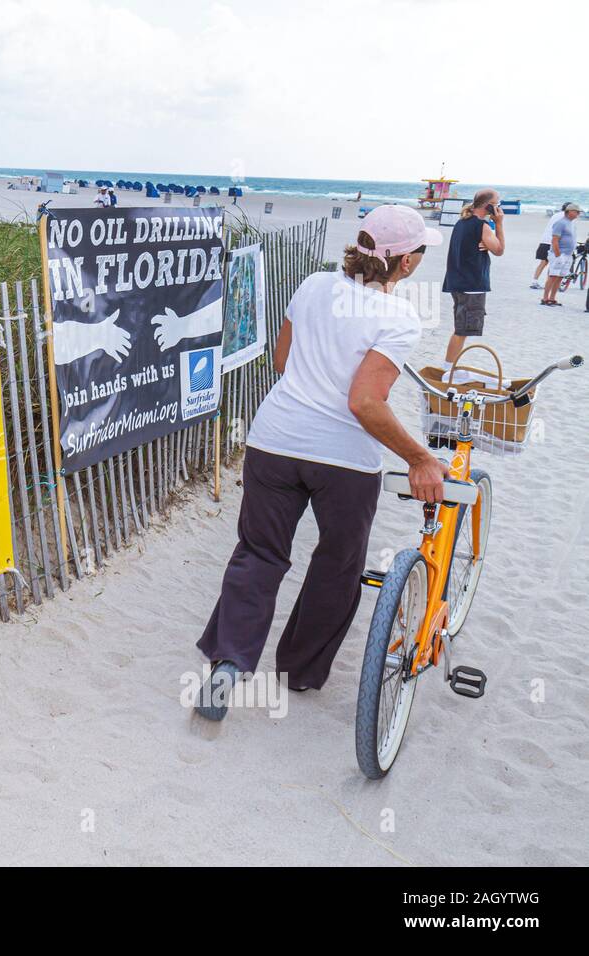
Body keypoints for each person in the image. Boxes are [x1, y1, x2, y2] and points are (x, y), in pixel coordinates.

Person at [194, 204, 447, 720]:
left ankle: (229, 663)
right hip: (345, 461)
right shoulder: (399, 316)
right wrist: (419, 458)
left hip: (275, 441)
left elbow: (283, 361)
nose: (421, 260)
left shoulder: (313, 284)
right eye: (420, 252)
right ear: (405, 263)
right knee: (338, 563)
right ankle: (300, 670)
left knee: (259, 554)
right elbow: (364, 404)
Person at [442, 188, 504, 365]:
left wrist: (486, 241)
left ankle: (449, 366)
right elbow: (499, 250)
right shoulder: (481, 226)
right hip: (472, 285)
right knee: (462, 331)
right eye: (497, 203)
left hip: (458, 282)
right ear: (489, 206)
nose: (499, 207)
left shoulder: (462, 222)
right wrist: (499, 224)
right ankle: (448, 368)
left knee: (461, 329)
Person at [542, 202, 581, 306]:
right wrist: (558, 255)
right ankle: (545, 298)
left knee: (560, 277)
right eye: (576, 212)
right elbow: (555, 240)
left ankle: (552, 298)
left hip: (568, 254)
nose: (578, 214)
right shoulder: (561, 223)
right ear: (569, 212)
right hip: (559, 254)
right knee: (553, 276)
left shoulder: (571, 223)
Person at [531, 202, 570, 289]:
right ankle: (548, 284)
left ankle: (534, 281)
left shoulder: (556, 215)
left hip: (544, 240)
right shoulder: (565, 217)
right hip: (553, 242)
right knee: (553, 264)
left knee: (543, 263)